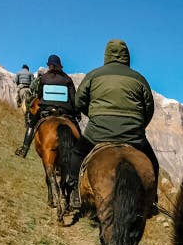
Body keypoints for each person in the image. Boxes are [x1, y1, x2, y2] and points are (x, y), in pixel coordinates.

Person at [67, 39, 159, 193]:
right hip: (133, 135)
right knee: (153, 163)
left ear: (107, 55)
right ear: (127, 56)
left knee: (77, 153)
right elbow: (148, 109)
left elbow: (79, 101)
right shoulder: (139, 79)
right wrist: (138, 126)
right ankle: (152, 197)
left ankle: (73, 187)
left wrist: (94, 115)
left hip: (98, 132)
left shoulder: (93, 75)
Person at [15, 54, 78, 158]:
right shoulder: (67, 79)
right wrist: (77, 114)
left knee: (31, 125)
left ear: (49, 66)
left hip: (46, 109)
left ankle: (24, 149)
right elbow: (73, 98)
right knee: (76, 130)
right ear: (59, 66)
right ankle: (80, 155)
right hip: (65, 111)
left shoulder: (44, 78)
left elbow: (39, 95)